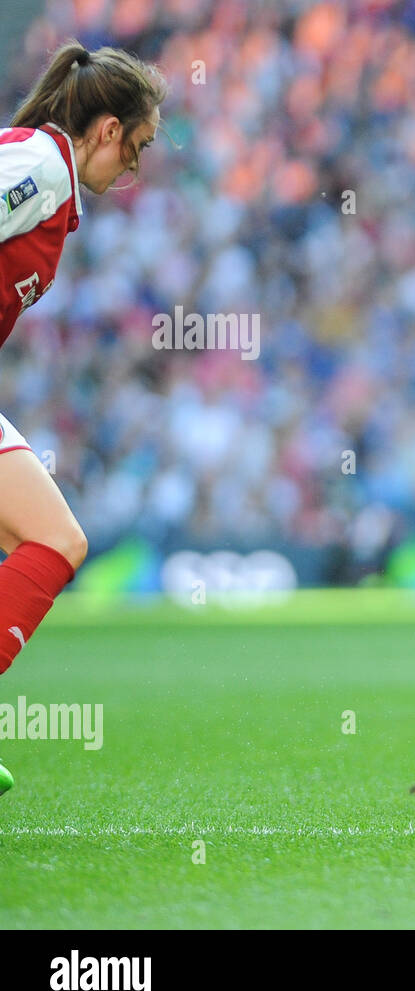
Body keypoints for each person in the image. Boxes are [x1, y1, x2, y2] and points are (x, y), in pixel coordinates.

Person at [0, 42, 166, 795]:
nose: (133, 169)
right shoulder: (37, 167)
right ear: (105, 129)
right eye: (135, 148)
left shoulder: (48, 179)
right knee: (56, 540)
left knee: (40, 543)